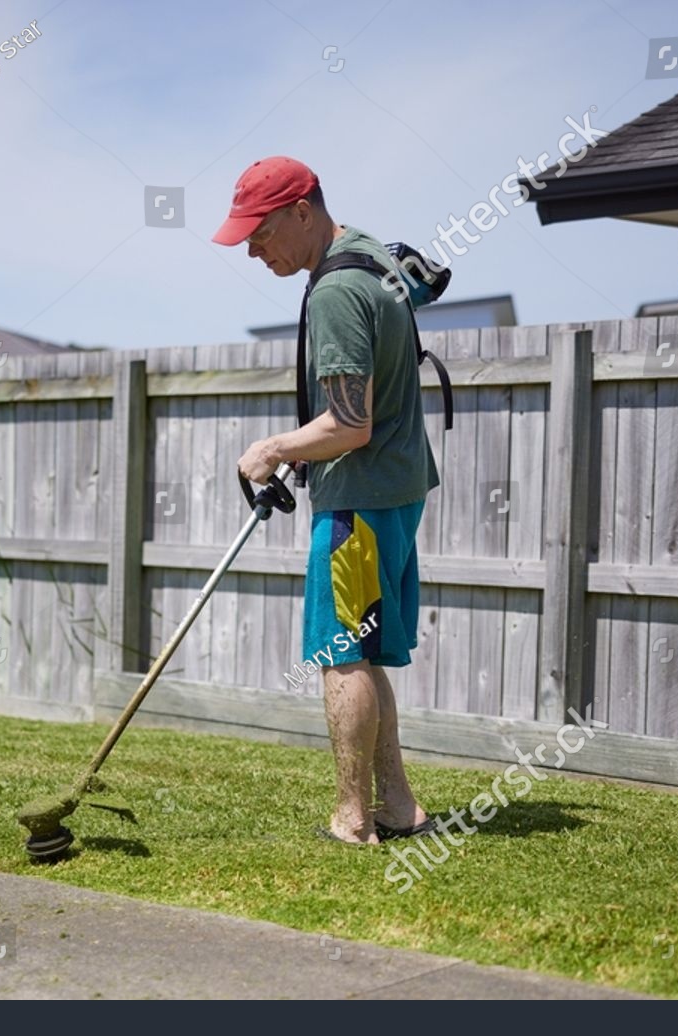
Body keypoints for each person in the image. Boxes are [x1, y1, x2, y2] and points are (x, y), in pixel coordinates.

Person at [214, 156, 441, 845]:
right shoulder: (369, 255)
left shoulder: (336, 290)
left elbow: (349, 423)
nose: (253, 252)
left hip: (359, 502)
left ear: (302, 211)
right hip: (394, 489)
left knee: (341, 654)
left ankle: (352, 816)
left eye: (260, 234)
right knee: (362, 652)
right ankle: (398, 808)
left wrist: (273, 449)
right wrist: (303, 450)